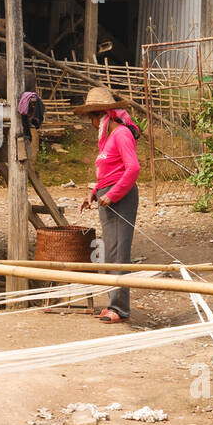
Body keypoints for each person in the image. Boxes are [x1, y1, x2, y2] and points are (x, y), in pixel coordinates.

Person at [76, 86, 141, 323]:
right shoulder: (107, 140)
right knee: (110, 253)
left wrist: (112, 195)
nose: (91, 123)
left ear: (102, 116)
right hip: (108, 199)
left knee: (119, 253)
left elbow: (133, 168)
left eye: (92, 118)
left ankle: (120, 309)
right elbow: (108, 172)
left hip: (121, 200)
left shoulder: (122, 134)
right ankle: (113, 304)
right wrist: (93, 193)